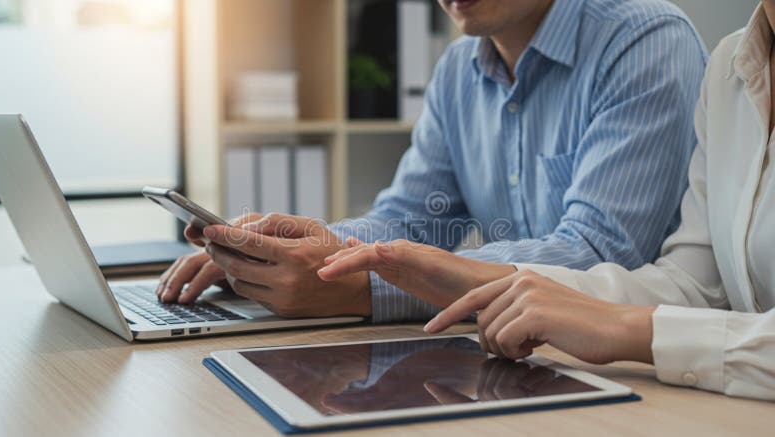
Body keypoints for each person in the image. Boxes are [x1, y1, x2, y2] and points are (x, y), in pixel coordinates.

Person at [320, 2, 775, 401]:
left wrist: (622, 328)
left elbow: (601, 250)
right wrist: (318, 249)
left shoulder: (646, 37)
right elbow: (695, 286)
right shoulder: (730, 65)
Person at [158, 0, 706, 321]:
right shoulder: (457, 69)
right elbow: (409, 217)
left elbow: (600, 255)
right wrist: (302, 252)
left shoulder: (646, 42)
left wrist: (360, 285)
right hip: (520, 353)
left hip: (636, 370)